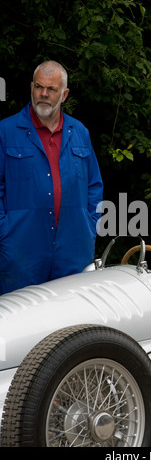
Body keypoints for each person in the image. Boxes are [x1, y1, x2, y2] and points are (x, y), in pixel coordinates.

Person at [0, 60, 103, 294]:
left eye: (51, 89)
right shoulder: (6, 131)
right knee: (21, 320)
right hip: (21, 250)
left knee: (72, 321)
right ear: (31, 88)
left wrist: (89, 224)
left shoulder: (79, 132)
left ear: (64, 95)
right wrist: (5, 231)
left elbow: (94, 185)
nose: (43, 94)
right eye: (39, 87)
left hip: (73, 249)